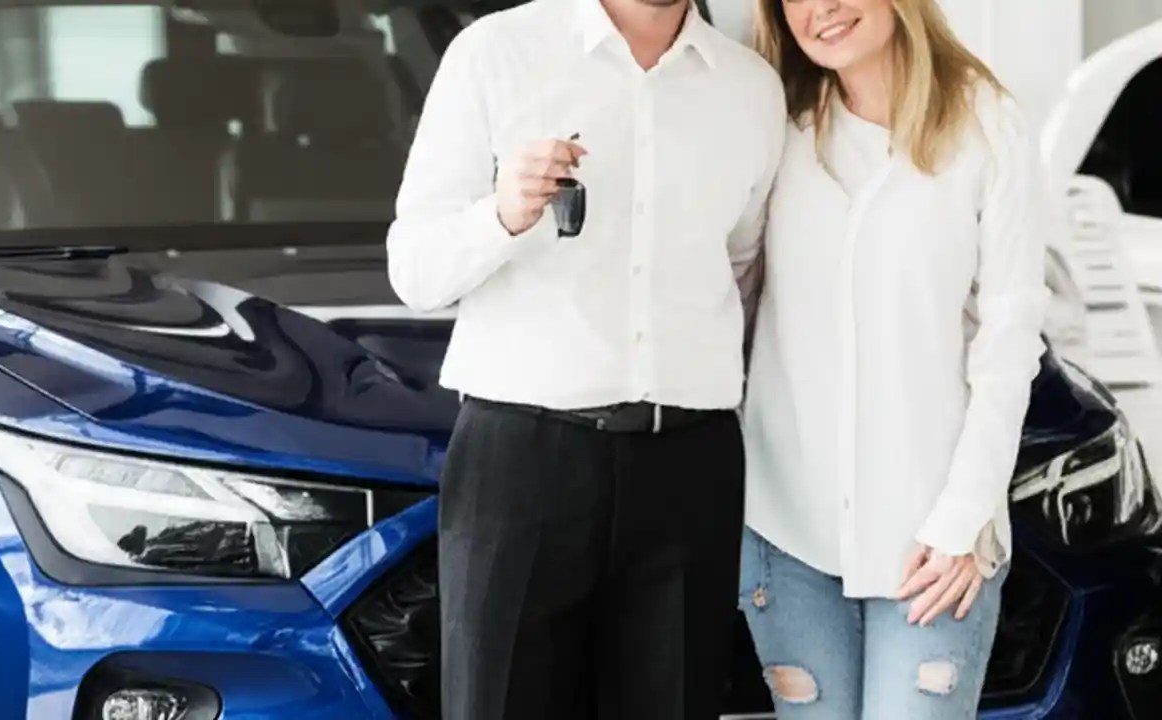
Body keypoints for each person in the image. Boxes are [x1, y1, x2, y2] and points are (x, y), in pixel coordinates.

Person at [385, 0, 786, 716]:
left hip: (689, 466)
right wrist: (502, 211)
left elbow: (742, 265)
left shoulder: (749, 86)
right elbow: (414, 272)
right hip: (523, 460)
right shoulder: (496, 52)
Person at [738, 0, 1052, 717]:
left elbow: (1008, 343)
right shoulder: (775, 129)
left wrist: (963, 519)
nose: (822, 8)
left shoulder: (987, 125)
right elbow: (730, 295)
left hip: (932, 540)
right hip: (787, 532)